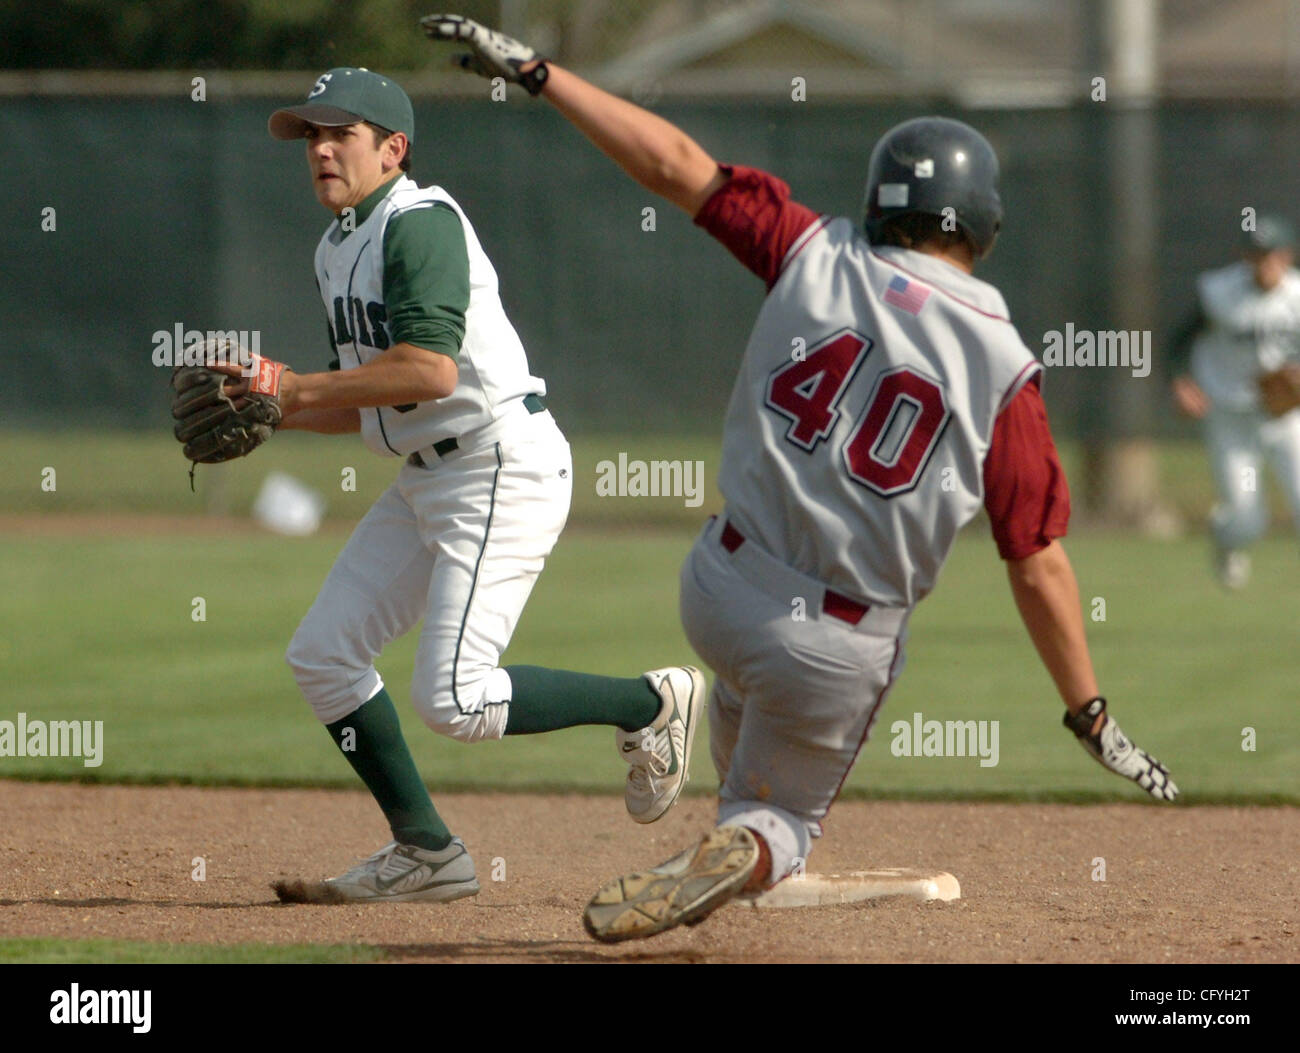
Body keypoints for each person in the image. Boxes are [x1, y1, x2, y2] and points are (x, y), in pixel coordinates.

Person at [421, 15, 1181, 942]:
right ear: (983, 223)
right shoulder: (1003, 363)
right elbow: (1037, 561)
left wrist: (543, 75)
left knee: (746, 691)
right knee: (782, 814)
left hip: (719, 584)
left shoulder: (810, 249)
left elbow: (671, 162)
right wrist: (1088, 712)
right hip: (834, 642)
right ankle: (757, 844)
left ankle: (741, 837)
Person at [217, 67, 703, 903]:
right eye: (310, 135)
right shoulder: (338, 245)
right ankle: (427, 852)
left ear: (392, 148)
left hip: (496, 464)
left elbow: (432, 371)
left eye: (340, 133)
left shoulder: (418, 224)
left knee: (454, 698)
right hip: (426, 475)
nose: (320, 148)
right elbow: (376, 391)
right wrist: (277, 414)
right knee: (323, 657)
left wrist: (293, 387)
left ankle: (651, 702)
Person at [1169, 215, 1300, 589]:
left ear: (1287, 256)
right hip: (1232, 416)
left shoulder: (1297, 296)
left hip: (1285, 417)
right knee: (1247, 520)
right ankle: (1226, 540)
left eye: (1272, 255)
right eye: (1256, 255)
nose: (1264, 264)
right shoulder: (1220, 291)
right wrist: (1180, 382)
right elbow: (1178, 342)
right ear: (1244, 257)